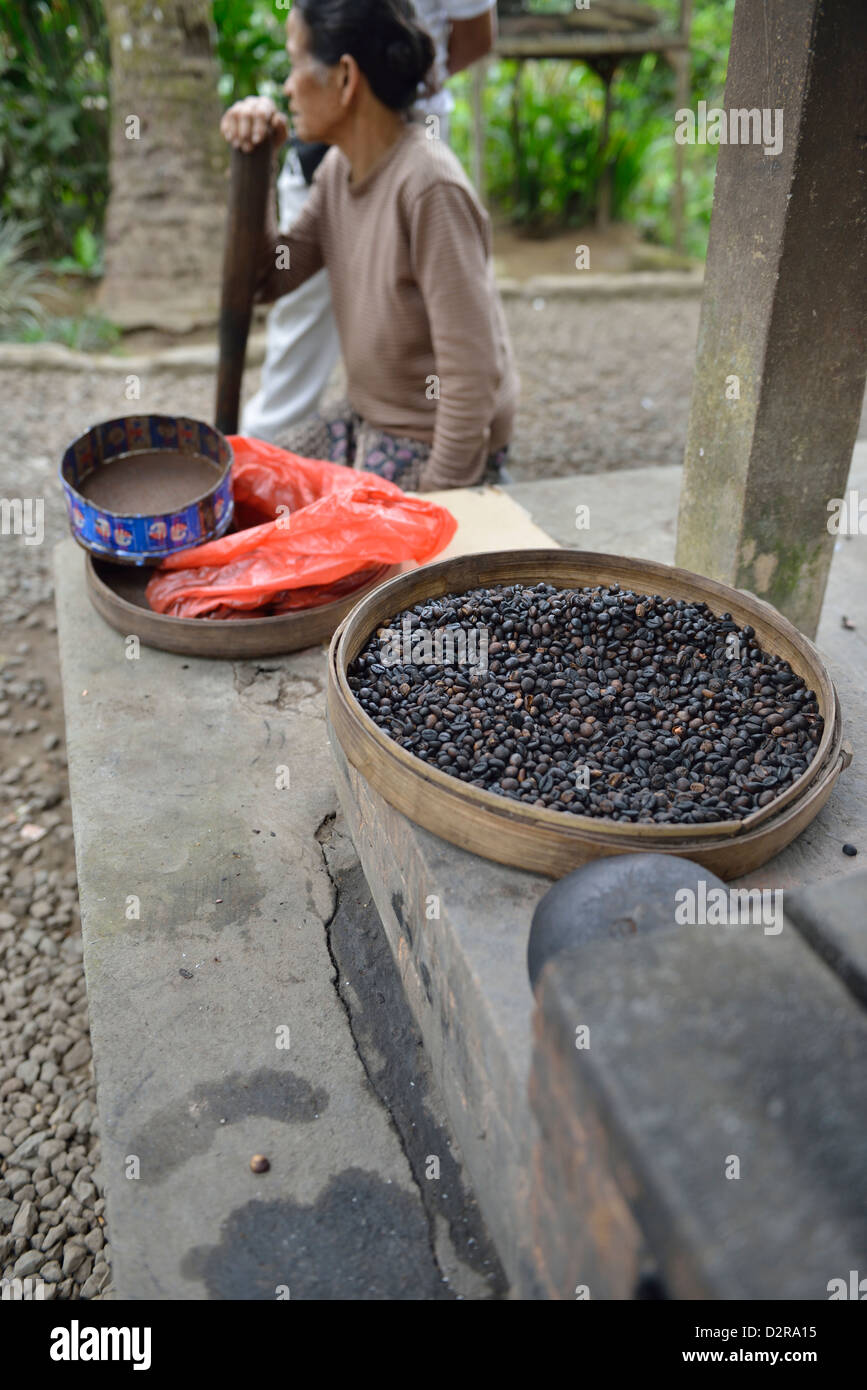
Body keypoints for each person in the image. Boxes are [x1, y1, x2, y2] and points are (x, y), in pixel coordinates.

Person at [222, 0, 517, 493]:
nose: (288, 88)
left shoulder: (428, 187)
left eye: (296, 63)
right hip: (368, 422)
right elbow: (265, 279)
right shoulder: (340, 171)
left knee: (323, 552)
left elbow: (473, 372)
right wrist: (259, 168)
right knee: (248, 488)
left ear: (345, 77)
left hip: (427, 440)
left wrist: (440, 495)